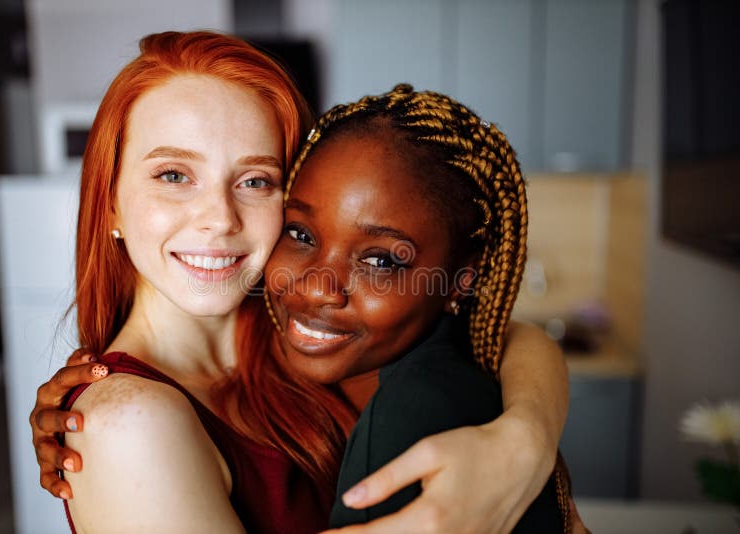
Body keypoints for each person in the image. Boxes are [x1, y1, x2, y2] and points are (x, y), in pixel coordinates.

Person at [29, 30, 571, 533]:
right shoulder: (127, 424)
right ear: (110, 204)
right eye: (174, 175)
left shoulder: (295, 334)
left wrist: (525, 440)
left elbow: (504, 337)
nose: (219, 217)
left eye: (255, 180)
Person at [262, 84, 566, 531]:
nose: (314, 290)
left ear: (461, 281)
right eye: (301, 234)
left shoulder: (412, 419)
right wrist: (532, 431)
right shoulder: (243, 328)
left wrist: (529, 436)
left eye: (380, 260)